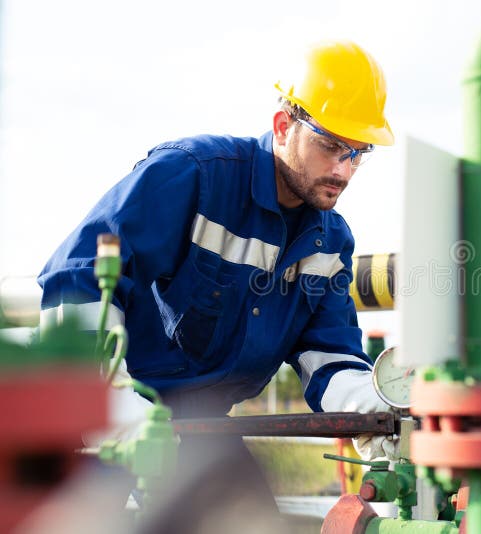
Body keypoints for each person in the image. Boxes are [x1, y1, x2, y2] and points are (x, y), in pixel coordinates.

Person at [37, 39, 397, 462]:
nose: (343, 170)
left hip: (205, 429)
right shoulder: (194, 176)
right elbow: (75, 276)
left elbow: (331, 358)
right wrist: (107, 403)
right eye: (331, 146)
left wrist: (374, 409)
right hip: (121, 417)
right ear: (283, 127)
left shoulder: (331, 244)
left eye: (358, 153)